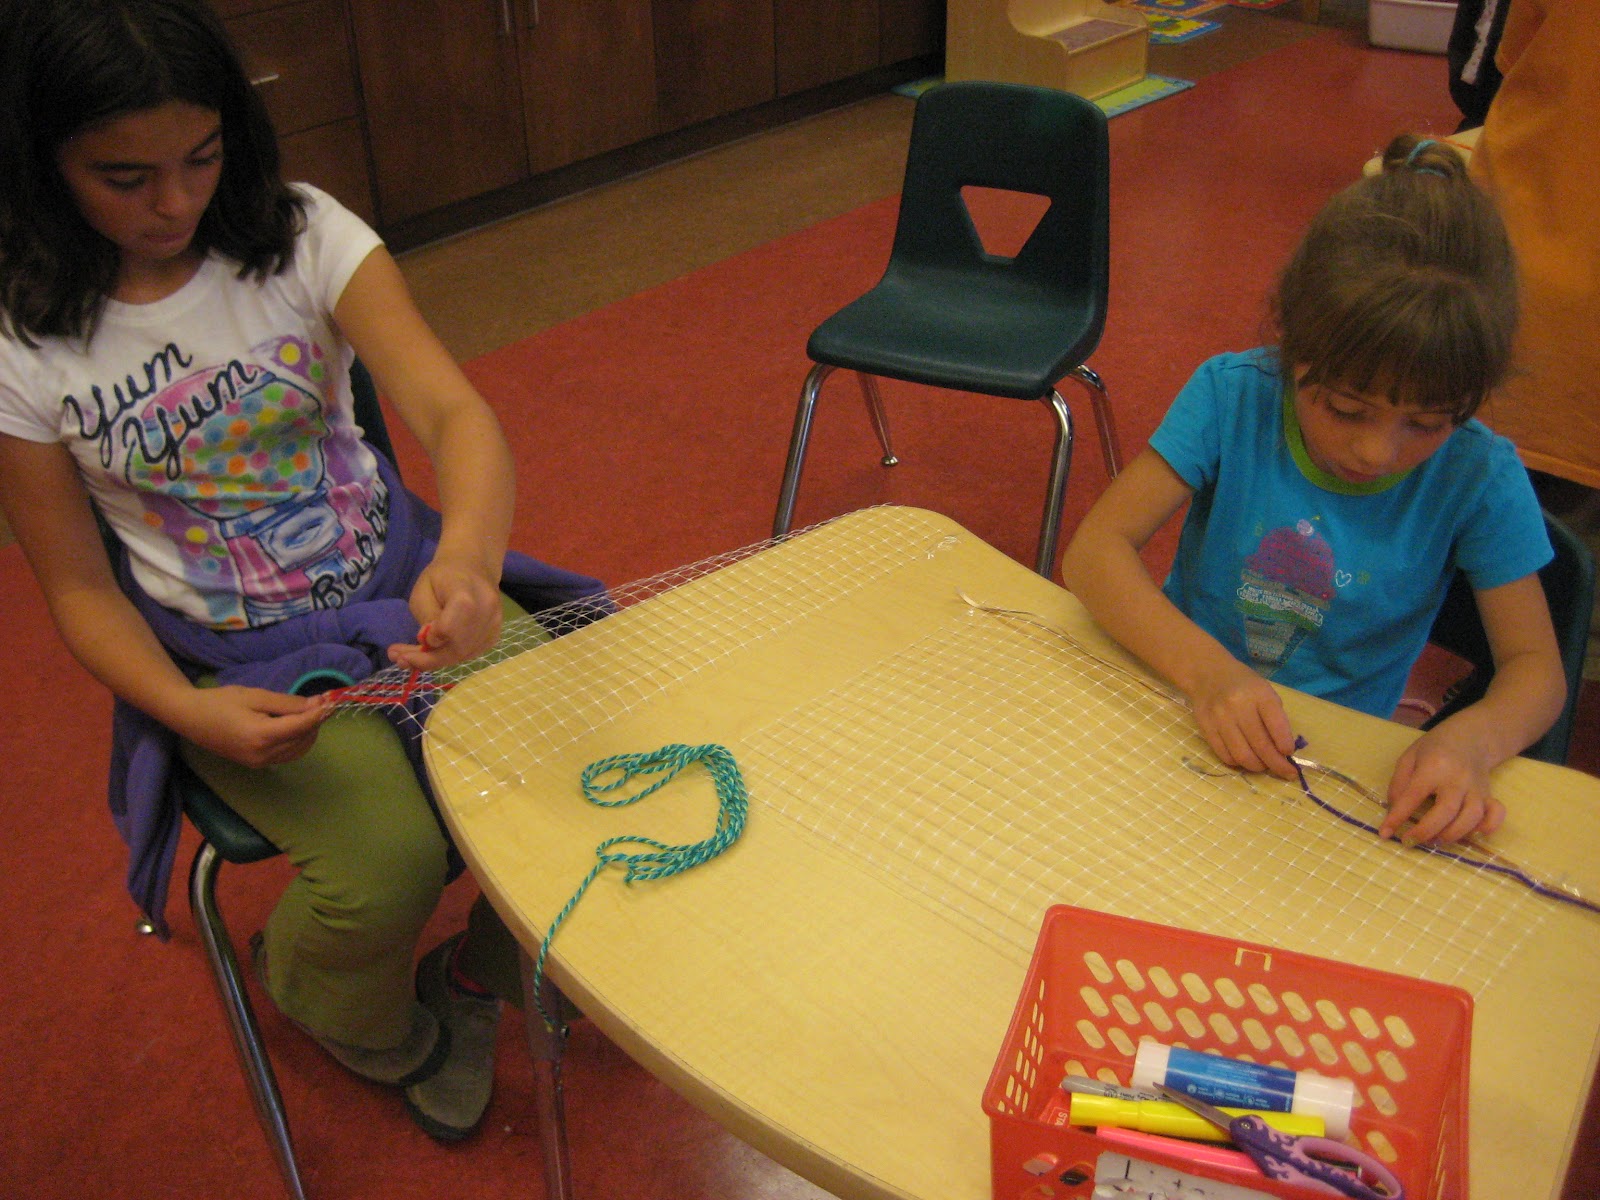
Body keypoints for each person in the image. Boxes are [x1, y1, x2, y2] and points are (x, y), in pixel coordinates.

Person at [0, 0, 602, 1141]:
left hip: (397, 581)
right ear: (42, 163)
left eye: (202, 157)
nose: (174, 204)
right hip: (233, 655)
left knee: (571, 774)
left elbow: (452, 412)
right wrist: (186, 710)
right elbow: (78, 588)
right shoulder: (24, 341)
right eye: (124, 177)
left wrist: (469, 561)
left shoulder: (302, 231)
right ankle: (333, 1001)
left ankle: (479, 970)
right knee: (388, 866)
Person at [1061, 134, 1566, 848]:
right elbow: (1095, 552)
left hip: (1326, 761)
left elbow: (1536, 668)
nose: (1374, 450)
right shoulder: (1234, 396)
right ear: (1292, 345)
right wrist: (1207, 674)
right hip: (1172, 694)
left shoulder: (1478, 475)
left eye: (1426, 423)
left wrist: (1472, 742)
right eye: (1346, 409)